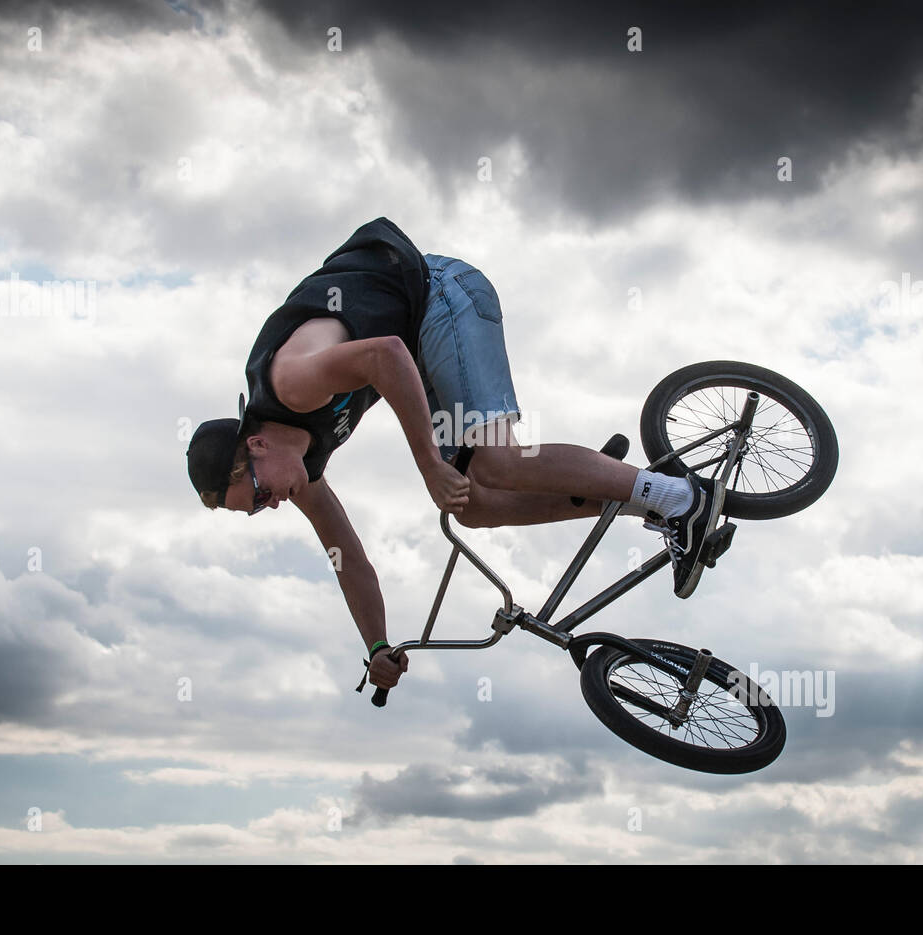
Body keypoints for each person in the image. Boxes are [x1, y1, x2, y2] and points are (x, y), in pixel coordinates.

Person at [186, 218, 717, 692]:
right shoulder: (301, 469)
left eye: (256, 495)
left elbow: (384, 354)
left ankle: (681, 497)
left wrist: (429, 466)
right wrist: (376, 646)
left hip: (439, 295)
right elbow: (348, 557)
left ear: (254, 445)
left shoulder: (291, 383)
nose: (271, 505)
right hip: (421, 344)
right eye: (257, 510)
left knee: (495, 463)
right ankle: (633, 497)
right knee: (473, 503)